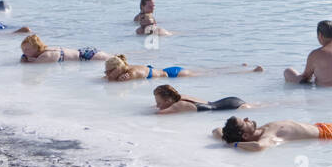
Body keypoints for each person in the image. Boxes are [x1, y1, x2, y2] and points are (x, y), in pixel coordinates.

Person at [214, 117, 332, 150]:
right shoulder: (267, 137)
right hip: (328, 135)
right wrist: (233, 144)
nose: (248, 119)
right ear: (245, 136)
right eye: (244, 122)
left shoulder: (260, 129)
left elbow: (216, 131)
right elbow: (257, 146)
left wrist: (224, 139)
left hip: (322, 126)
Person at [284, 20, 332, 86]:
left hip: (325, 93)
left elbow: (305, 78)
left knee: (288, 71)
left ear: (320, 35)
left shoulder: (316, 54)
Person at [104, 54, 262, 81]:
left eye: (110, 71)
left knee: (210, 75)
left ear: (118, 69)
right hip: (170, 70)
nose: (108, 74)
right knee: (208, 72)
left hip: (175, 75)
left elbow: (114, 82)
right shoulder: (126, 67)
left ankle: (247, 71)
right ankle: (238, 67)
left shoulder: (132, 73)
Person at [152, 85, 248, 114]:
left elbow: (158, 114)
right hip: (228, 101)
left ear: (168, 101)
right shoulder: (180, 97)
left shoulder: (178, 106)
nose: (157, 106)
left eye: (158, 103)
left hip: (231, 107)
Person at [19, 34, 109, 63]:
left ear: (36, 48)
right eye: (23, 49)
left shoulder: (47, 55)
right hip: (84, 51)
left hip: (86, 56)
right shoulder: (43, 52)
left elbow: (30, 65)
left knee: (116, 59)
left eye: (27, 49)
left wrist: (24, 60)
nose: (24, 52)